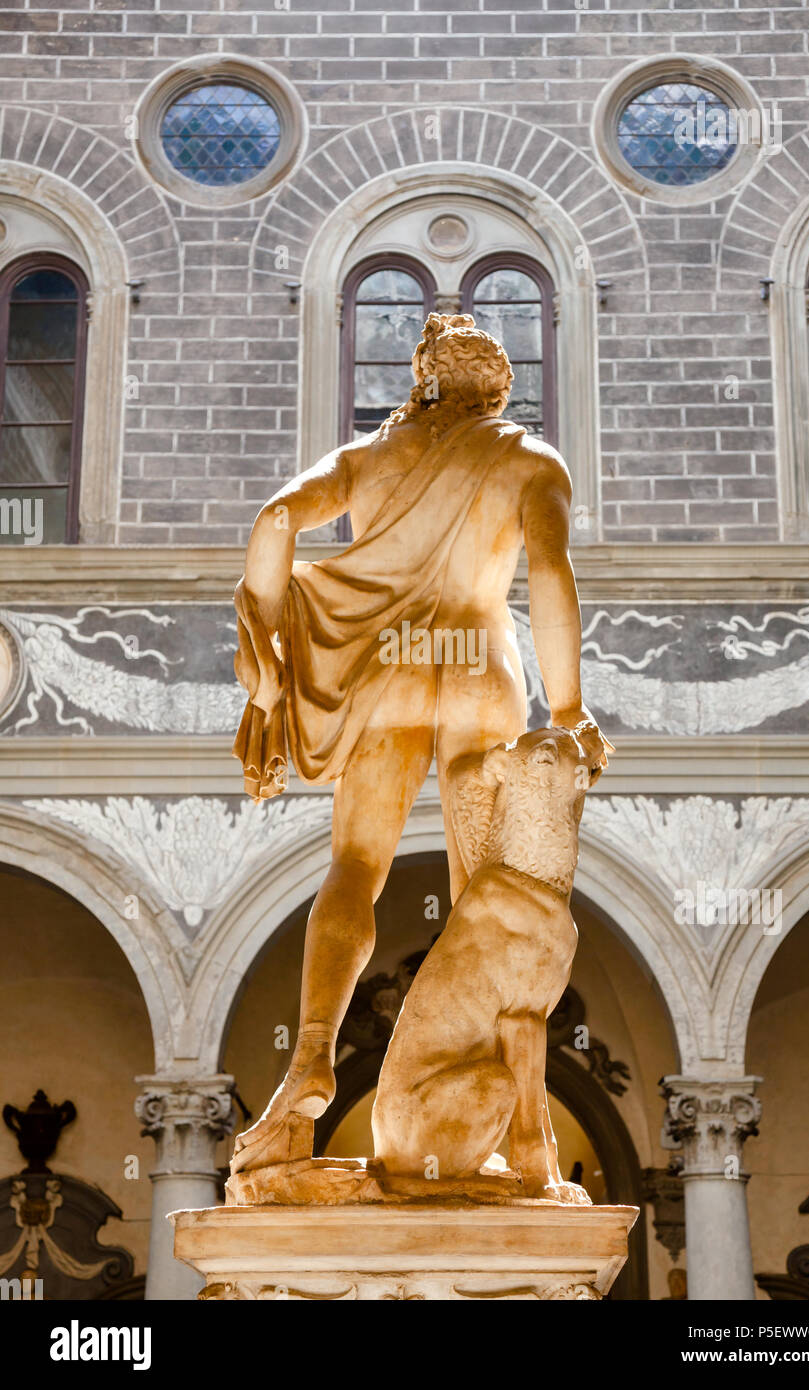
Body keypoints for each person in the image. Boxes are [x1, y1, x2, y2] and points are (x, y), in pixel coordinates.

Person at [230, 312, 610, 1174]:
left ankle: (312, 1064)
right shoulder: (530, 460)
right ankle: (521, 1128)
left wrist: (267, 677)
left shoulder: (373, 456)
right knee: (487, 894)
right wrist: (572, 707)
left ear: (423, 381)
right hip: (479, 662)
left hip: (386, 669)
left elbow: (277, 519)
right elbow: (550, 574)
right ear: (496, 386)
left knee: (355, 868)